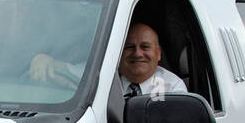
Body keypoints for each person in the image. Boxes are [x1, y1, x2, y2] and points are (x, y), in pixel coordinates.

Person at [31, 22, 188, 98]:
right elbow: (65, 72)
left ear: (158, 53)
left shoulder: (171, 87)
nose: (138, 53)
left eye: (145, 47)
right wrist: (44, 60)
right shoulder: (102, 73)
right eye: (130, 47)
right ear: (119, 52)